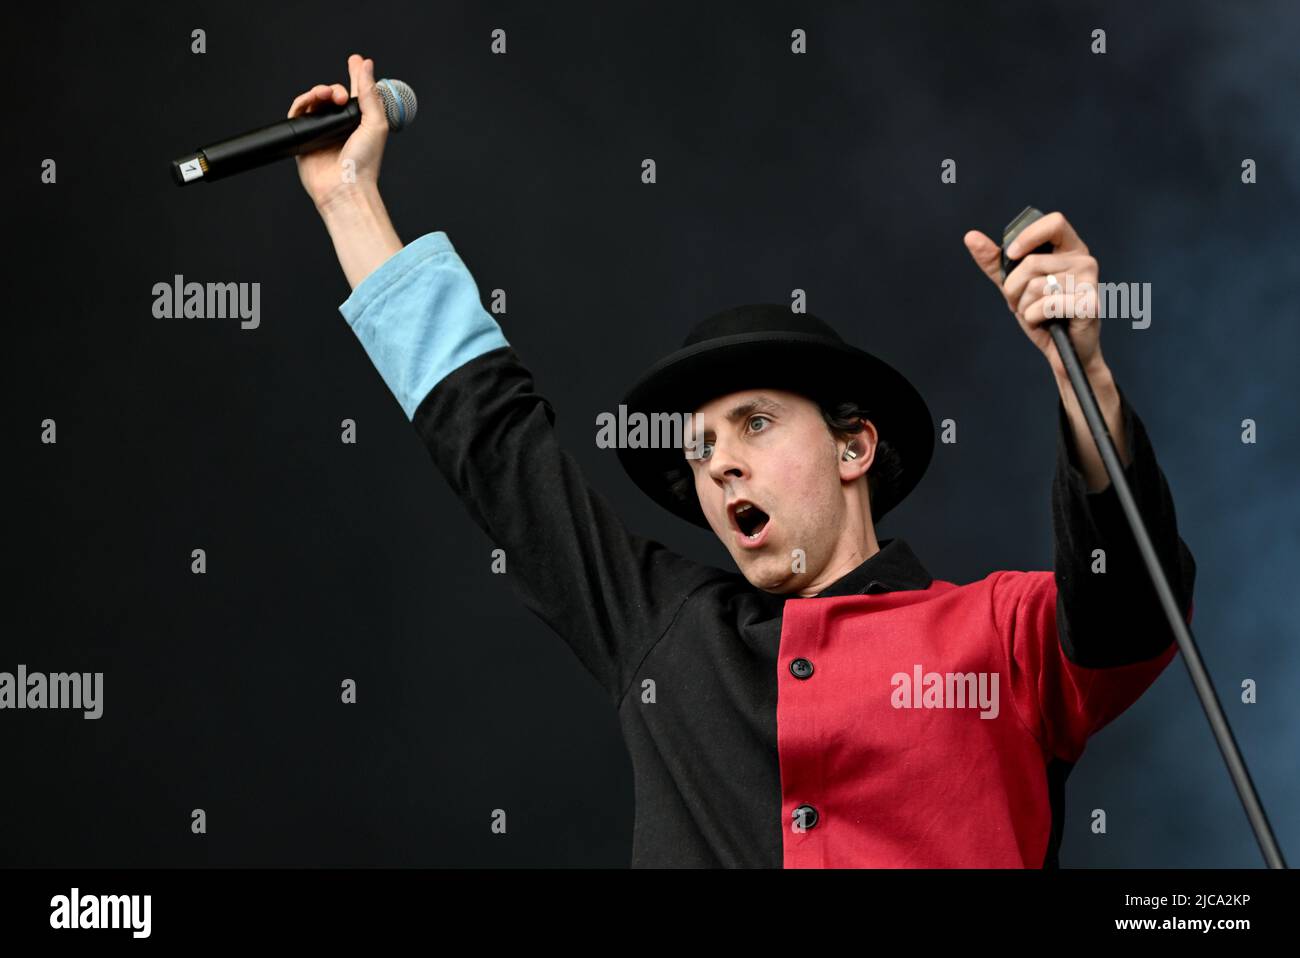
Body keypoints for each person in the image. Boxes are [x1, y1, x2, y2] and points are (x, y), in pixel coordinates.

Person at [290, 54, 1197, 868]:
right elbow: (497, 448)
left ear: (855, 446)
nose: (718, 464)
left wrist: (1087, 379)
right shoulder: (672, 634)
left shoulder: (1001, 633)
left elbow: (1131, 616)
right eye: (699, 449)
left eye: (755, 423)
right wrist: (349, 200)